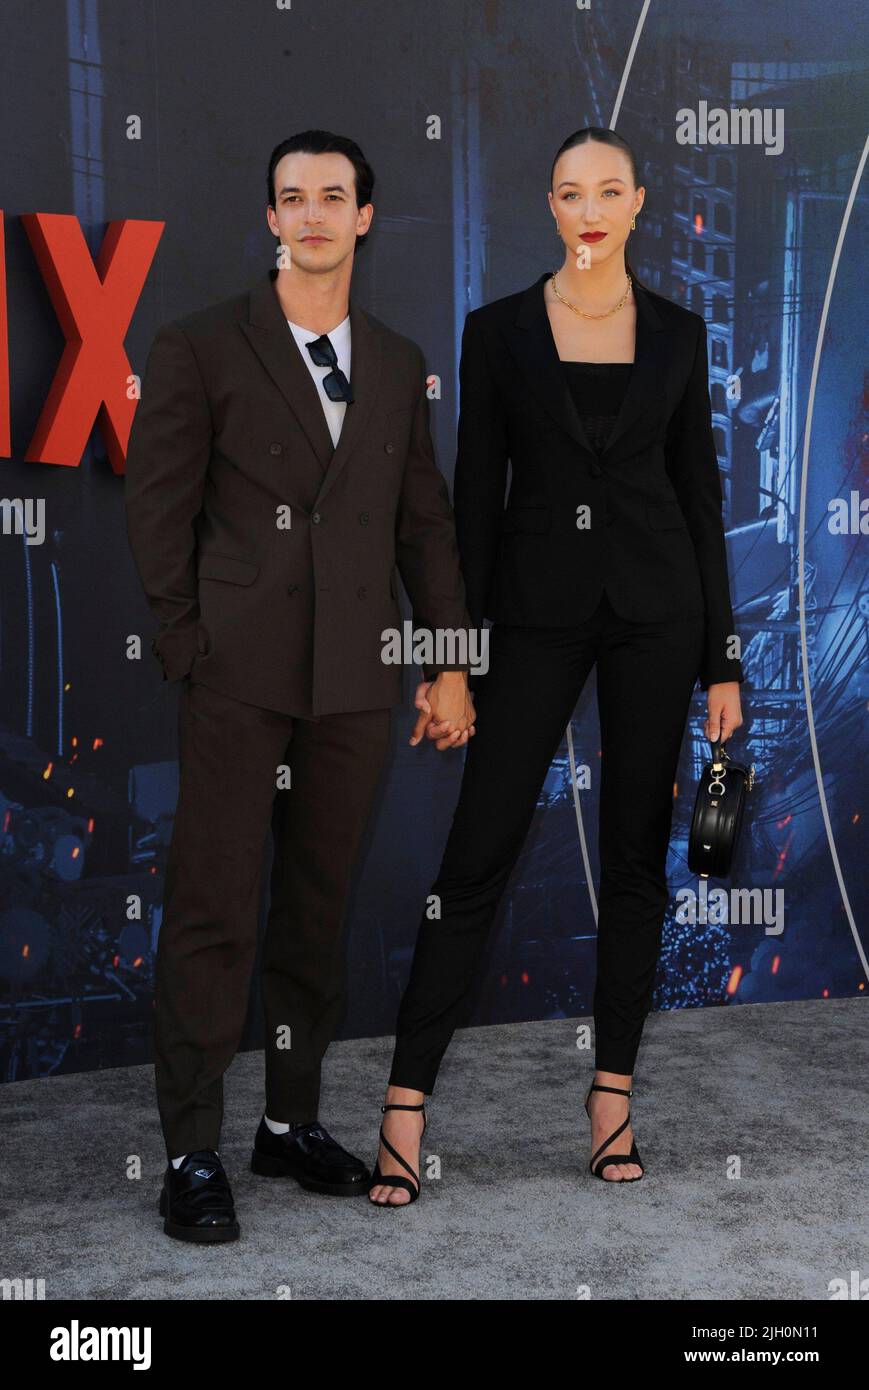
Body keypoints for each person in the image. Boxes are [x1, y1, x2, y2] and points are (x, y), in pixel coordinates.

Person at [368, 127, 745, 1204]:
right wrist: (450, 660)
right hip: (527, 620)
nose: (590, 208)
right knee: (474, 855)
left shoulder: (676, 332)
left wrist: (720, 660)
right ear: (548, 205)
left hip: (654, 616)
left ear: (636, 204)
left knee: (633, 857)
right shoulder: (494, 335)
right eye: (571, 192)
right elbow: (465, 510)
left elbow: (700, 500)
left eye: (609, 191)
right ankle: (403, 1105)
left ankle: (610, 1099)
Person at [124, 129, 476, 1242]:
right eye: (292, 197)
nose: (313, 214)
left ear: (363, 217)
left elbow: (423, 523)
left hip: (354, 682)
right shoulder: (198, 347)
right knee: (215, 912)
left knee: (317, 914)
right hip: (236, 680)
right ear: (270, 218)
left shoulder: (394, 357)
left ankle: (285, 1123)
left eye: (334, 196)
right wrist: (188, 648)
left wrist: (446, 658)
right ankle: (189, 1148)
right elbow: (157, 511)